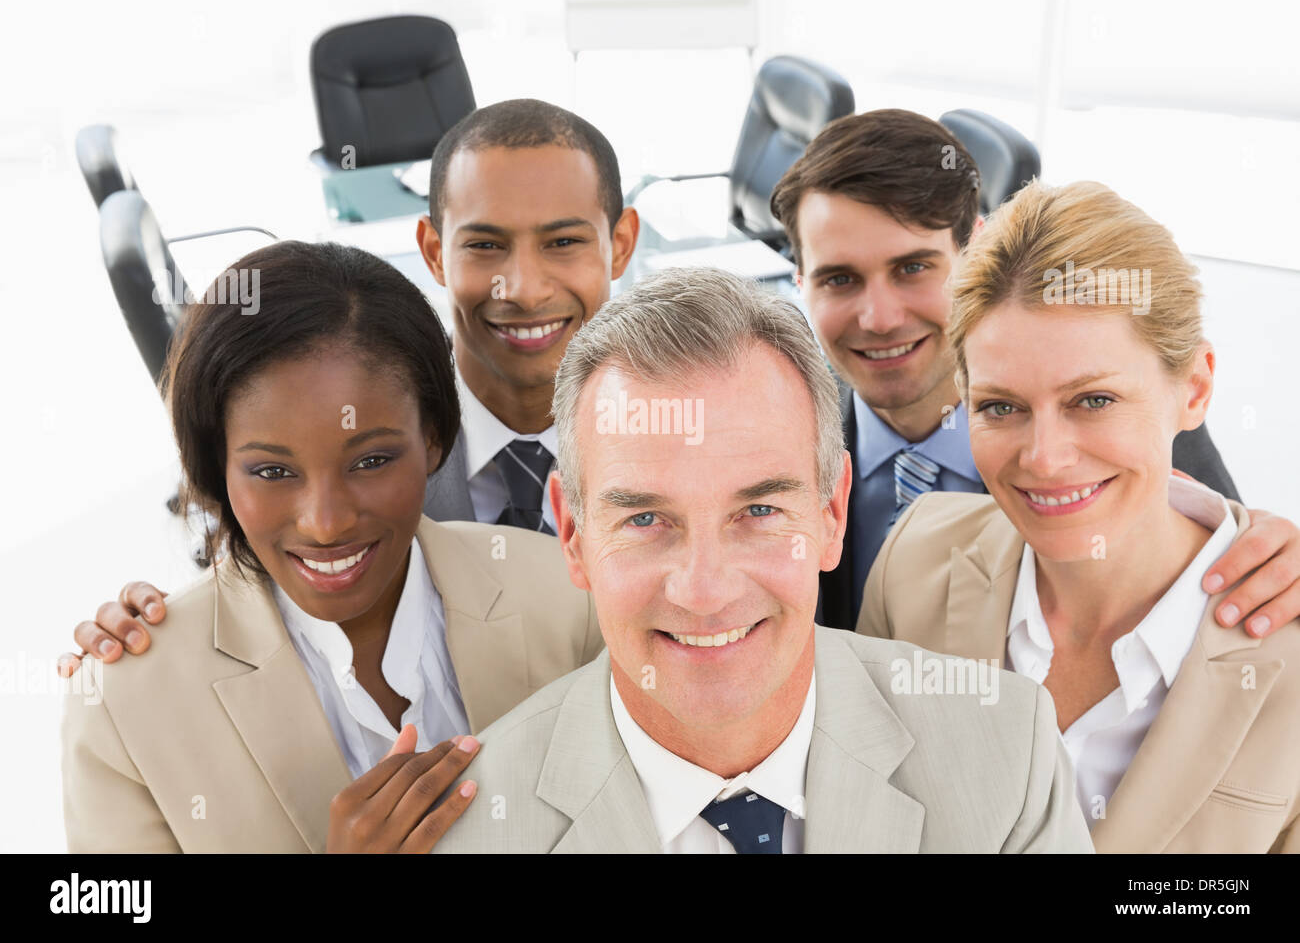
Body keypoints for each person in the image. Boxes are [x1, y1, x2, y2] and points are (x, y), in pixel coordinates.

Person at [344, 267, 1093, 853]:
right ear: (571, 533)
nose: (704, 591)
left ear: (831, 514)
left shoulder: (1006, 751)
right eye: (644, 518)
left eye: (759, 511)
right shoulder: (464, 838)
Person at [61, 98, 639, 672]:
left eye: (563, 242)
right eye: (485, 246)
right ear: (435, 252)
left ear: (620, 245)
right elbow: (245, 620)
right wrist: (148, 650)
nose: (524, 289)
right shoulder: (342, 433)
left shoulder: (683, 427)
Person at [61, 242, 600, 852]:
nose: (325, 523)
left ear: (433, 438)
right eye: (272, 471)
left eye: (371, 460)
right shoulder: (124, 710)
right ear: (217, 466)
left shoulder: (572, 603)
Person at [858, 181, 1300, 852]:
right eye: (1002, 407)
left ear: (1196, 389)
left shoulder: (1285, 645)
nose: (1045, 459)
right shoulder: (914, 558)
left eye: (1092, 400)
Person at [770, 108, 1300, 635]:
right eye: (839, 279)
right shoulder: (786, 422)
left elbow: (1233, 557)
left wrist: (1274, 550)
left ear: (975, 251)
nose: (879, 319)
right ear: (800, 281)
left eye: (913, 268)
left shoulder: (1138, 413)